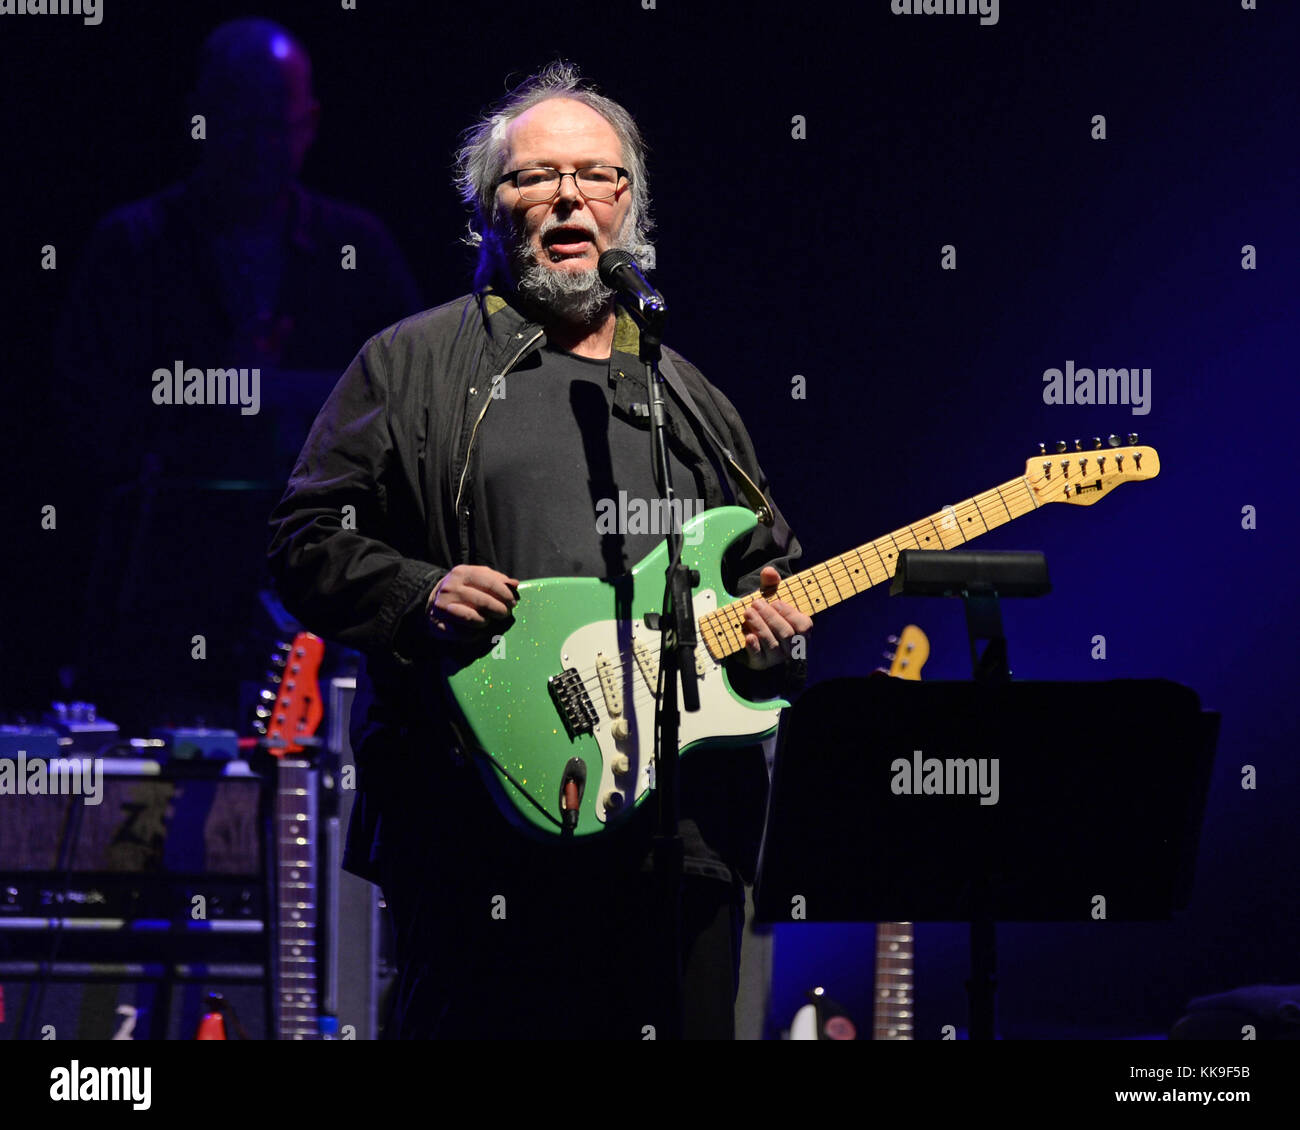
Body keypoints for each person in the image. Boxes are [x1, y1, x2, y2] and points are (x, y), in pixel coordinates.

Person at [267, 61, 811, 1039]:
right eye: (533, 176)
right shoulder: (411, 364)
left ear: (627, 208)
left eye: (595, 176)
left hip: (677, 847)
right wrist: (416, 593)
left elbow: (762, 579)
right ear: (488, 207)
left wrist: (774, 635)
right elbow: (304, 538)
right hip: (479, 823)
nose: (567, 195)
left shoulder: (691, 399)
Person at [53, 18, 421, 730]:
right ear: (202, 118)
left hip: (327, 610)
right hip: (161, 614)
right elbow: (81, 419)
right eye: (237, 120)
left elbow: (419, 413)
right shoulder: (130, 248)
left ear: (309, 124)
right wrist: (213, 404)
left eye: (274, 123)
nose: (256, 145)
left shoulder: (360, 250)